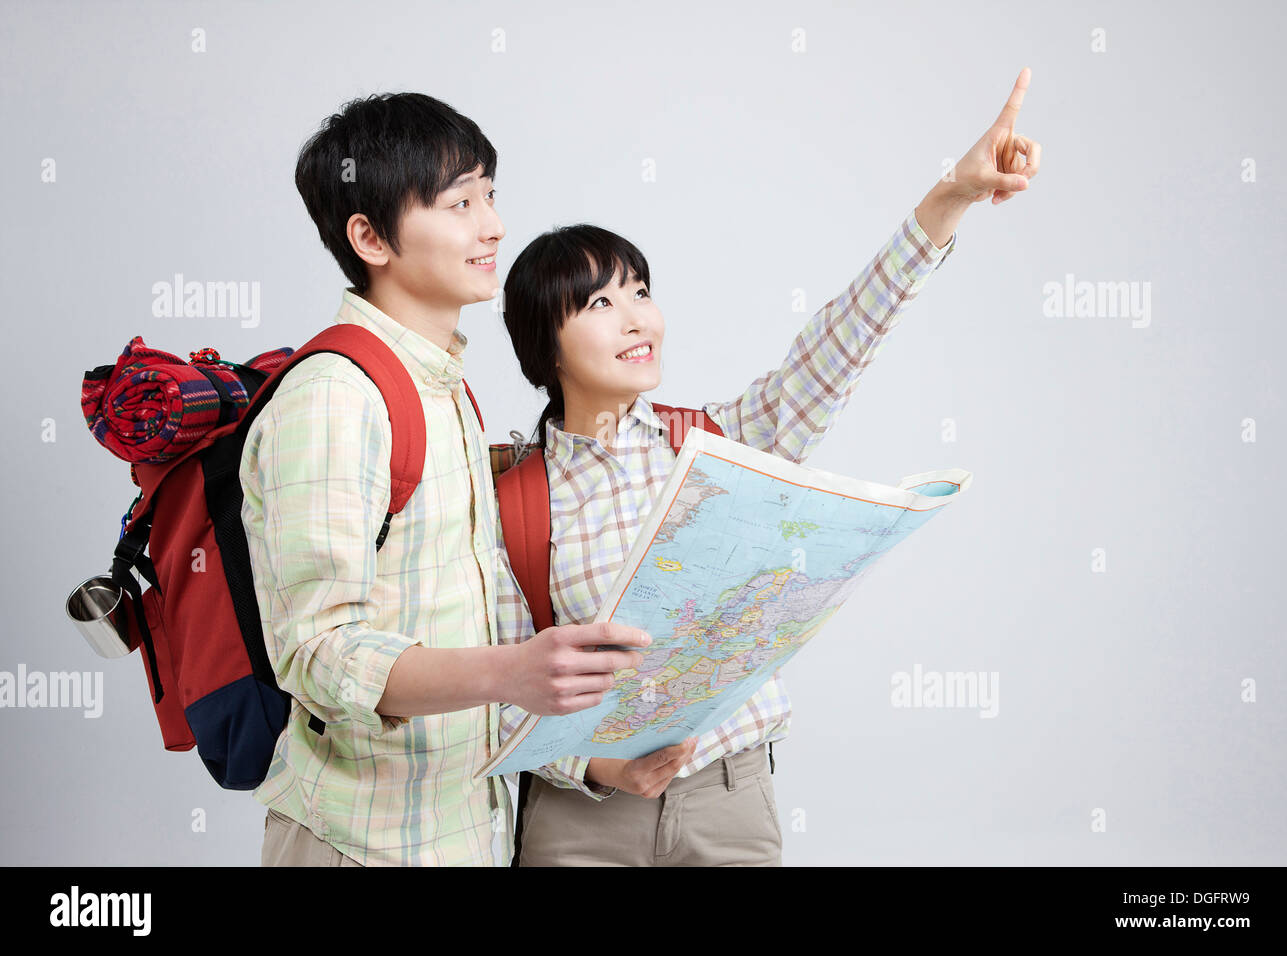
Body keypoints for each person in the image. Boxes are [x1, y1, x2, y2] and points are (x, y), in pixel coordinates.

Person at [494, 69, 1042, 865]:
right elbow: (496, 687)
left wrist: (951, 196)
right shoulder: (511, 500)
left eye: (640, 290)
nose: (637, 316)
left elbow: (837, 345)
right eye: (600, 303)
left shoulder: (713, 447)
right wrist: (597, 764)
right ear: (545, 346)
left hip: (728, 799)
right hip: (580, 819)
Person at [239, 92, 650, 867]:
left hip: (459, 836)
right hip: (357, 842)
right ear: (370, 236)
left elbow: (481, 633)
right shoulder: (335, 395)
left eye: (489, 195)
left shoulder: (445, 388)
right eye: (458, 202)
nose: (492, 224)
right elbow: (318, 653)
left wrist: (586, 758)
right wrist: (513, 671)